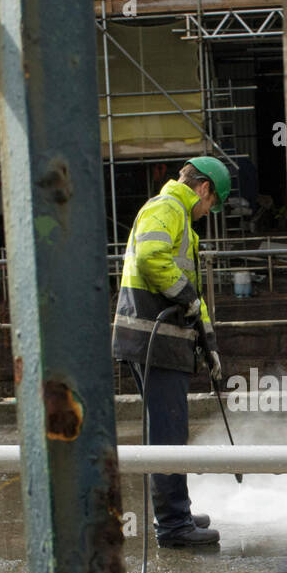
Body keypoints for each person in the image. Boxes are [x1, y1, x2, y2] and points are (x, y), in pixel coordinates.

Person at [111, 157, 231, 548]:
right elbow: (152, 259)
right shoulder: (168, 209)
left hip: (157, 339)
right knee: (167, 433)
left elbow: (193, 298)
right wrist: (188, 300)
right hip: (154, 340)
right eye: (212, 204)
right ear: (204, 189)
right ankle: (174, 525)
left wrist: (209, 342)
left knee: (170, 430)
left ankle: (177, 511)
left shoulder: (175, 216)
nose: (208, 212)